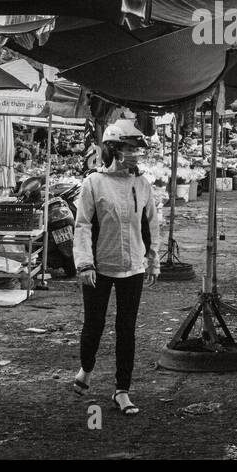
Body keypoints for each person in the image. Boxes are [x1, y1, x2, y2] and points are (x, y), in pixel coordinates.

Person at [72, 119, 159, 416]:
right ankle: (86, 367)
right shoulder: (93, 183)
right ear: (112, 149)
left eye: (136, 149)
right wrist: (84, 263)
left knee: (126, 329)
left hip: (132, 266)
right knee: (94, 325)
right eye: (129, 148)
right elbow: (82, 225)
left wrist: (153, 259)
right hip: (99, 266)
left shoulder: (142, 184)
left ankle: (122, 390)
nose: (134, 153)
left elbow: (151, 225)